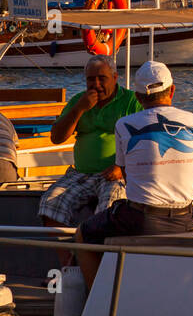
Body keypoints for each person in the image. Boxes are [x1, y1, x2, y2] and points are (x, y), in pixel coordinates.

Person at [76, 61, 193, 291]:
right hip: (184, 218)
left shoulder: (124, 124)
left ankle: (98, 301)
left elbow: (128, 177)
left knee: (83, 234)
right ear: (172, 90)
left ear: (137, 97)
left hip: (141, 219)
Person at [38, 56, 141, 252]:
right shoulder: (79, 101)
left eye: (102, 78)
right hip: (80, 175)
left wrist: (122, 167)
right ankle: (67, 262)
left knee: (110, 208)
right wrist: (79, 109)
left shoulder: (131, 101)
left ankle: (99, 264)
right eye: (90, 79)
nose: (96, 84)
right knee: (50, 202)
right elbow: (57, 138)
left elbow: (144, 141)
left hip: (114, 174)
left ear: (115, 77)